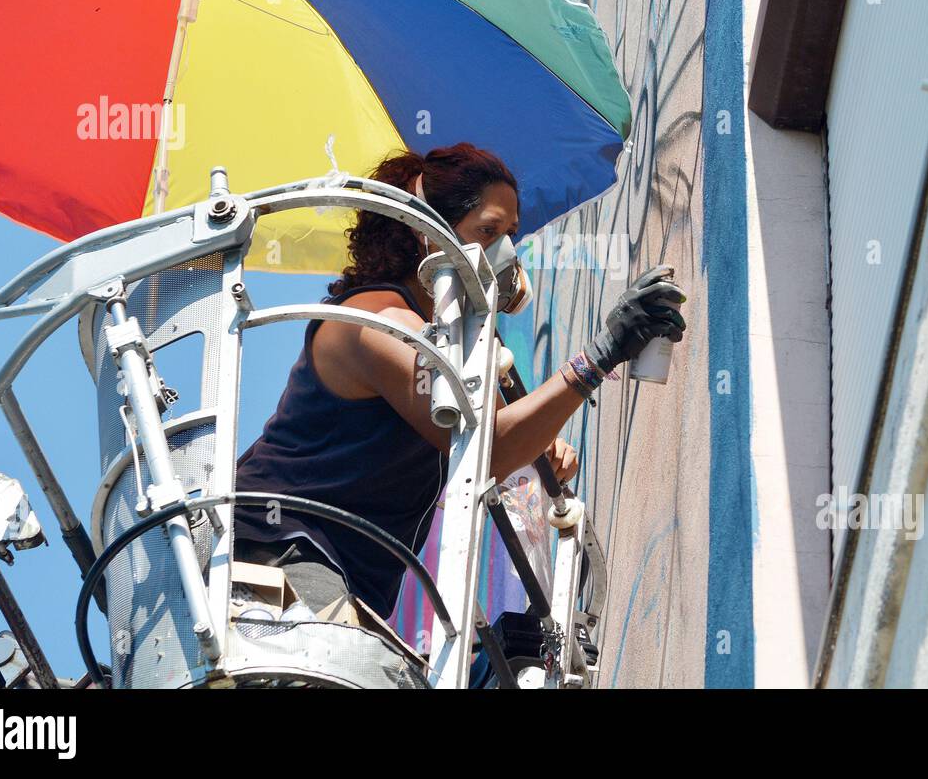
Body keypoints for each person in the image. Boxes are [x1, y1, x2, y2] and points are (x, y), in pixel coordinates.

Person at [232, 142, 687, 637]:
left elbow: (499, 438)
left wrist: (537, 442)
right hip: (275, 552)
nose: (505, 254)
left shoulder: (448, 338)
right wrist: (599, 356)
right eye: (488, 232)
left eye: (511, 234)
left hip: (334, 575)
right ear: (425, 233)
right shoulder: (376, 323)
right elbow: (490, 449)